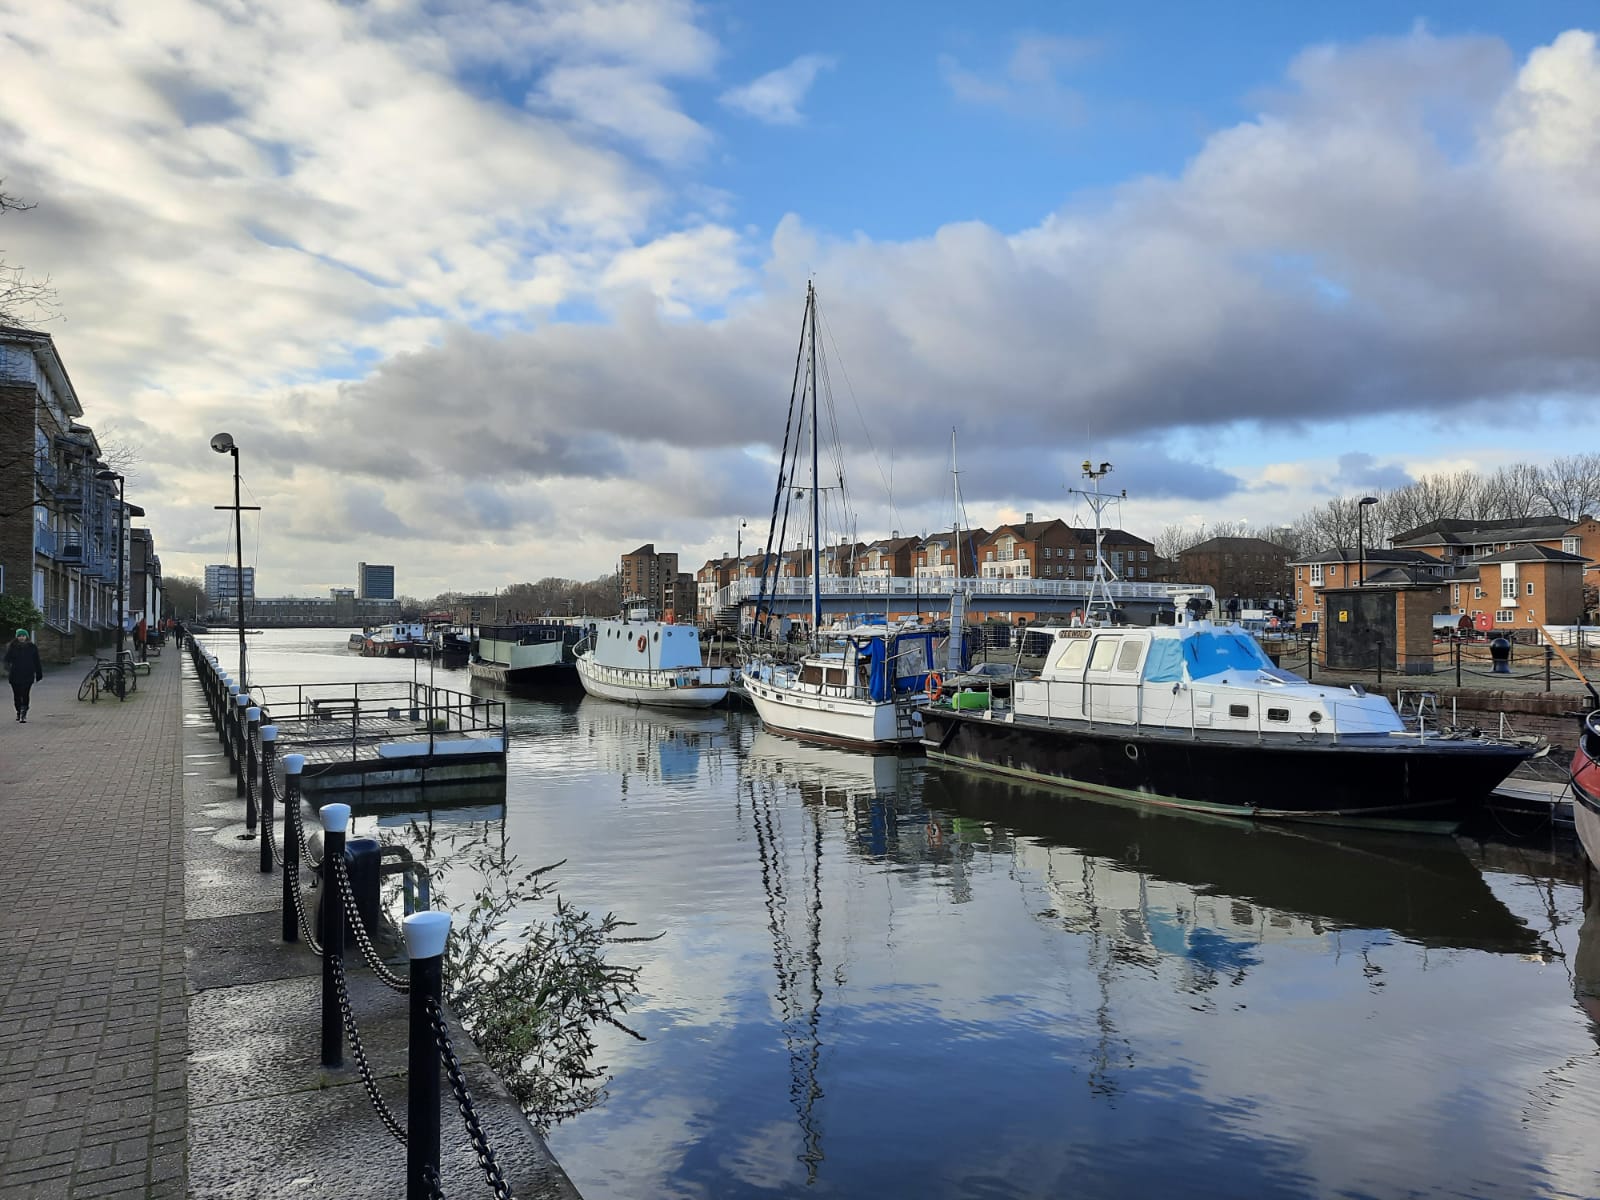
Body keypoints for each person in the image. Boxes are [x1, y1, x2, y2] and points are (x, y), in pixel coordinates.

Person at [5, 629, 44, 723]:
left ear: (26, 637)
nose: (21, 638)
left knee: (25, 694)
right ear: (17, 637)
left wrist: (39, 673)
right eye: (19, 636)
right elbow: (6, 660)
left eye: (23, 636)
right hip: (15, 675)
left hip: (28, 674)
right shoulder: (12, 647)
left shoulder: (32, 647)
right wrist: (8, 668)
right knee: (17, 695)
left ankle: (23, 712)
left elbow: (37, 661)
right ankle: (18, 711)